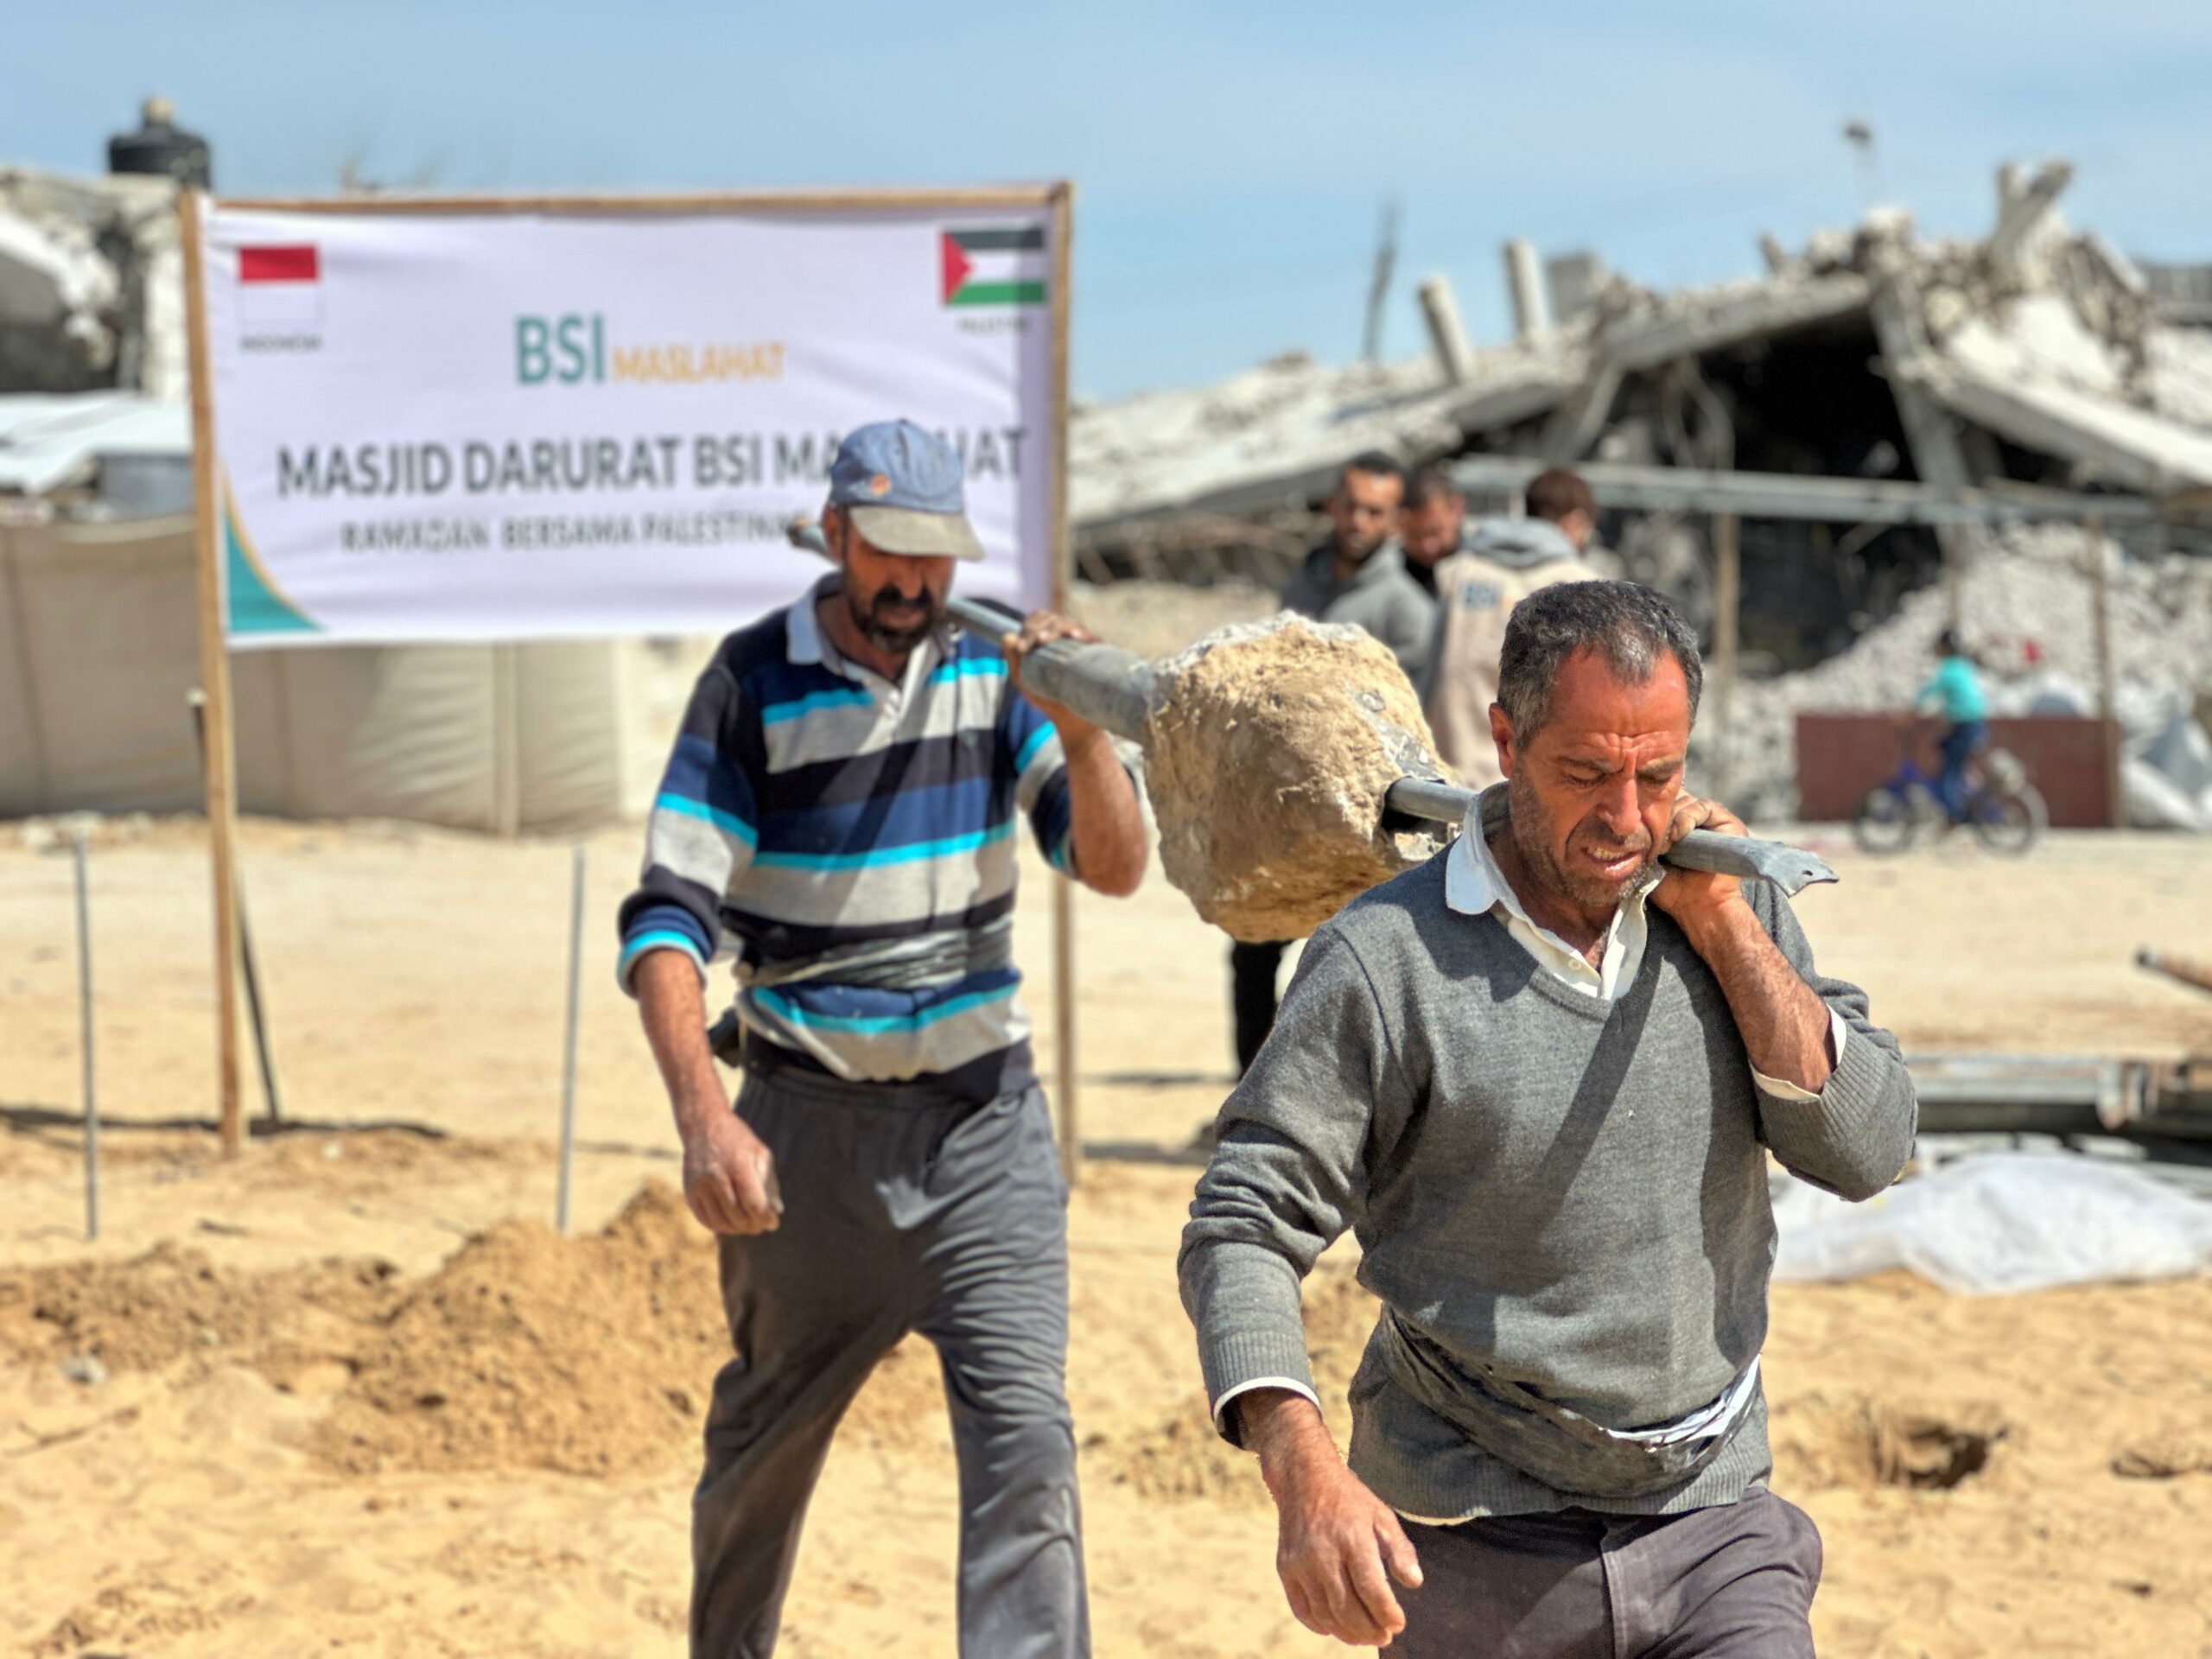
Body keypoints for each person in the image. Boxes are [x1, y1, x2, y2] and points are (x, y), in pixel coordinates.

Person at [1181, 580, 1917, 1656]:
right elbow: (1241, 1226)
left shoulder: (1729, 905)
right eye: (1585, 774)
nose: (1627, 819)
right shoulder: (1384, 961)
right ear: (1505, 739)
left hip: (1712, 1516)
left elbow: (1868, 1148)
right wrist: (1303, 1476)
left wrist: (1725, 928)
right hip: (1471, 1534)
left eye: (1657, 775)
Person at [620, 419, 1147, 1658]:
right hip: (806, 1150)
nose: (916, 585)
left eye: (936, 559)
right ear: (837, 533)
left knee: (1027, 1446)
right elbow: (667, 919)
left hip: (986, 1137)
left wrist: (1077, 726)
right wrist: (706, 1121)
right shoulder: (750, 681)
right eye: (891, 554)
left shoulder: (990, 670)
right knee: (760, 1456)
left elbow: (1114, 866)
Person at [1230, 451, 1436, 1077]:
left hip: (1361, 823)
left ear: (1394, 520)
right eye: (1350, 506)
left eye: (1374, 511)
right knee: (1253, 951)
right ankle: (1250, 1101)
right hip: (1286, 810)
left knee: (1346, 968)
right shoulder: (1303, 584)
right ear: (1332, 506)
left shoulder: (1407, 610)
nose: (1357, 521)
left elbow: (1399, 727)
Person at [1422, 466, 1594, 785]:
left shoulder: (1461, 569)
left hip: (1447, 767)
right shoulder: (1579, 583)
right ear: (1575, 522)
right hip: (1527, 780)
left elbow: (1431, 668)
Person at [1916, 627, 1988, 823]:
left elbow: (1928, 692)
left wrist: (1909, 712)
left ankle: (1954, 816)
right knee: (1950, 755)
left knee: (1948, 772)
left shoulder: (1948, 670)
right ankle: (1966, 800)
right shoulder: (1964, 666)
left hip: (1964, 726)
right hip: (1975, 724)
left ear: (1945, 647)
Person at [1395, 467, 1467, 599]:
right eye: (1414, 535)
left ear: (1457, 510)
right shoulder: (1392, 575)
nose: (1427, 547)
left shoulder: (1484, 570)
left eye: (1435, 532)